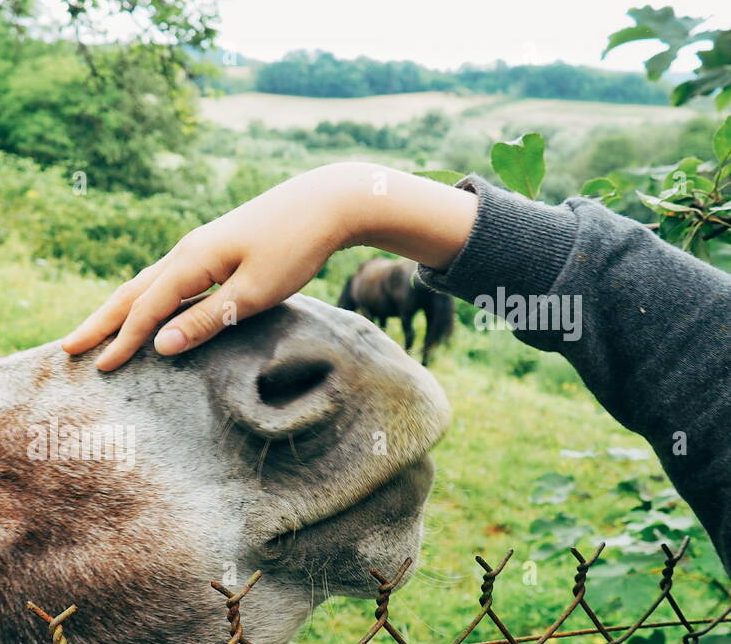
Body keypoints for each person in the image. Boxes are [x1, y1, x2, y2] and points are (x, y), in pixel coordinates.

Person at [60, 163, 731, 572]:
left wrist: (361, 201)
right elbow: (696, 351)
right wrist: (353, 200)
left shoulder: (371, 288)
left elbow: (680, 351)